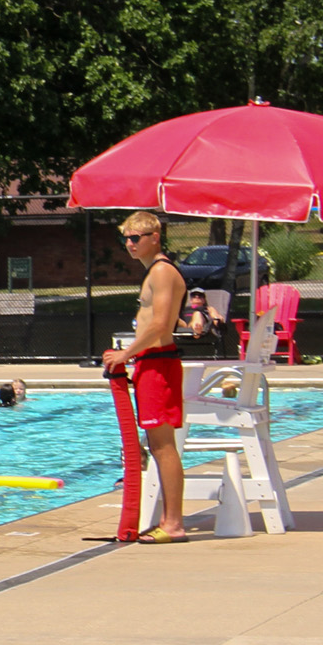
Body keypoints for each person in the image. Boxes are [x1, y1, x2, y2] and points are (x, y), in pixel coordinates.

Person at [103, 211, 190, 544]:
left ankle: (174, 524)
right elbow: (165, 319)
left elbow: (159, 325)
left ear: (156, 236)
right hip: (151, 363)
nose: (129, 244)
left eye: (135, 238)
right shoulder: (156, 273)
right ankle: (170, 520)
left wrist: (125, 354)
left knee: (163, 446)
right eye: (126, 238)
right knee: (157, 445)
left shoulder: (163, 272)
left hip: (158, 364)